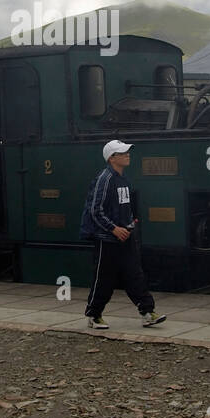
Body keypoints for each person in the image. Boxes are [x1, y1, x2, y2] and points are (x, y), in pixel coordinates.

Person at [79, 140, 165, 329]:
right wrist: (114, 229)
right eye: (122, 152)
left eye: (127, 151)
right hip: (107, 239)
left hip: (125, 237)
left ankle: (147, 312)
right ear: (111, 158)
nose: (127, 154)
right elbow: (95, 210)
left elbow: (123, 208)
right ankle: (94, 315)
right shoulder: (105, 178)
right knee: (104, 278)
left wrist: (129, 223)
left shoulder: (123, 179)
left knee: (135, 275)